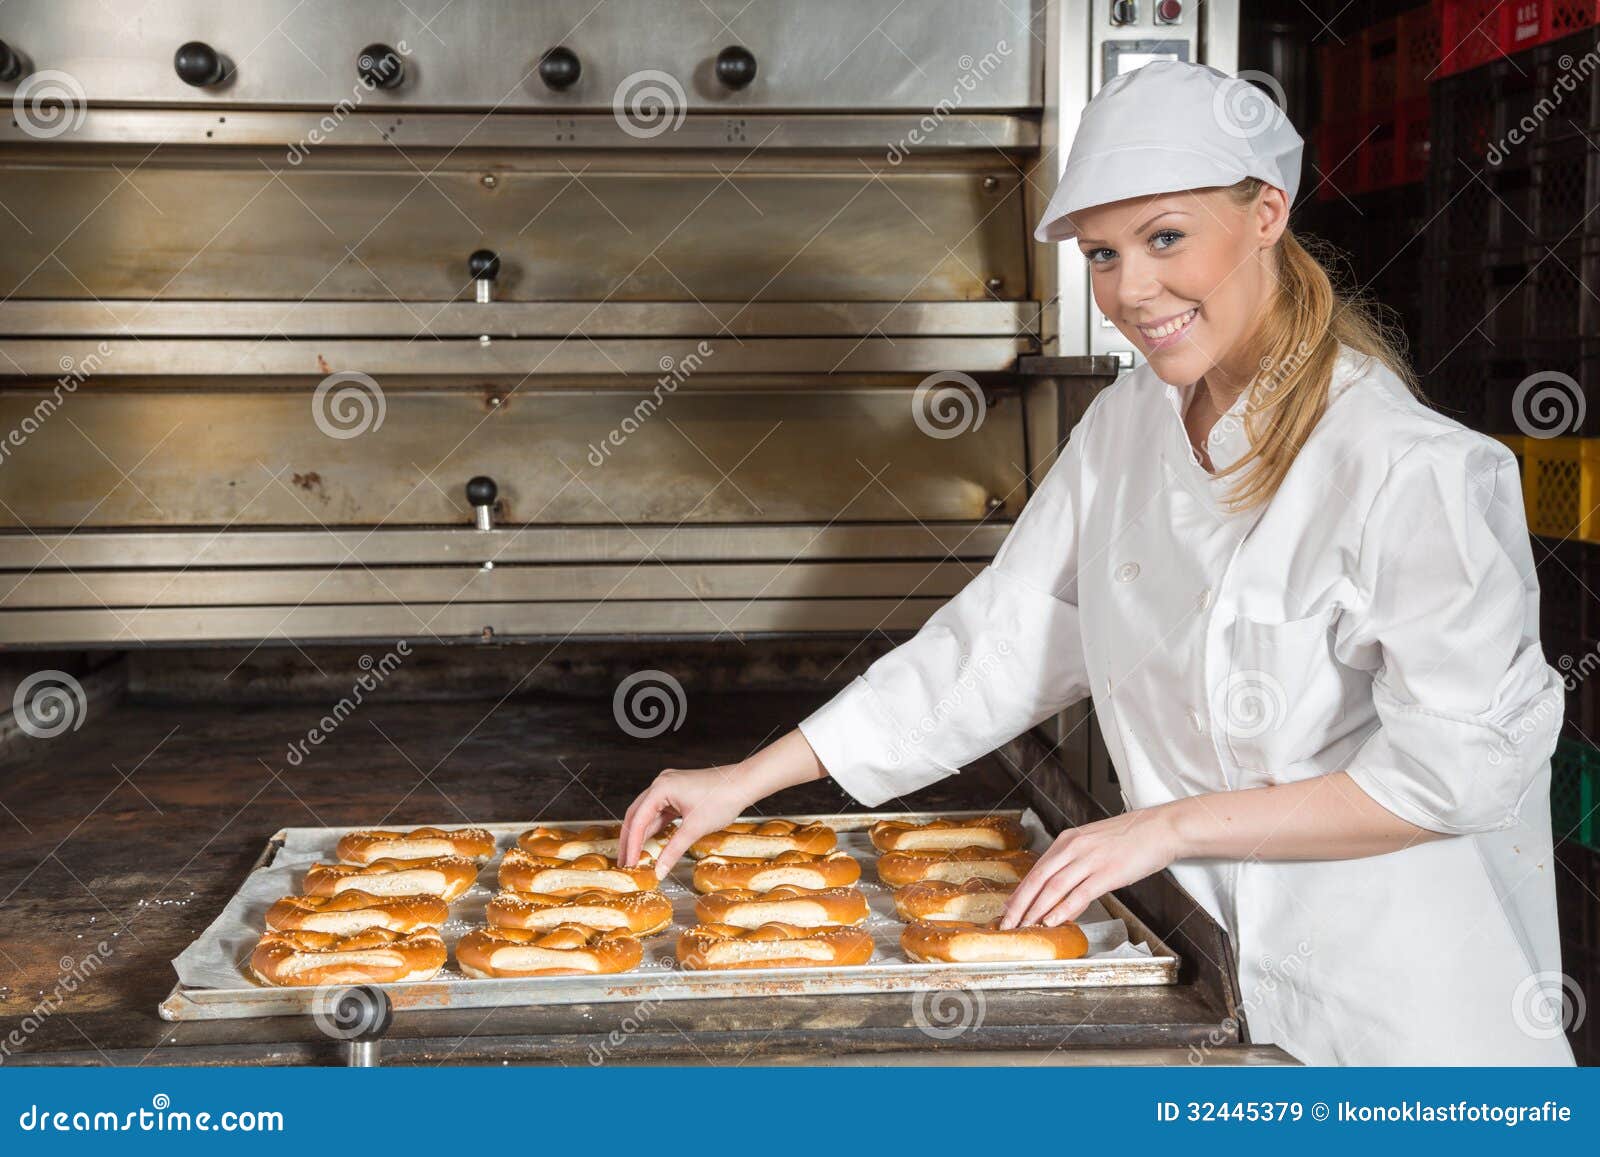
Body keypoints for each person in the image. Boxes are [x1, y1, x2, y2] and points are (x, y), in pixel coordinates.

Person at [618, 60, 1575, 1066]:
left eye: (1165, 238)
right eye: (1102, 254)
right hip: (1212, 976)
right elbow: (1005, 637)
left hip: (1397, 1012)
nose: (1131, 291)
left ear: (1265, 214)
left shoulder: (1410, 469)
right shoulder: (1129, 425)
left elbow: (1450, 776)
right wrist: (750, 776)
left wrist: (1164, 829)